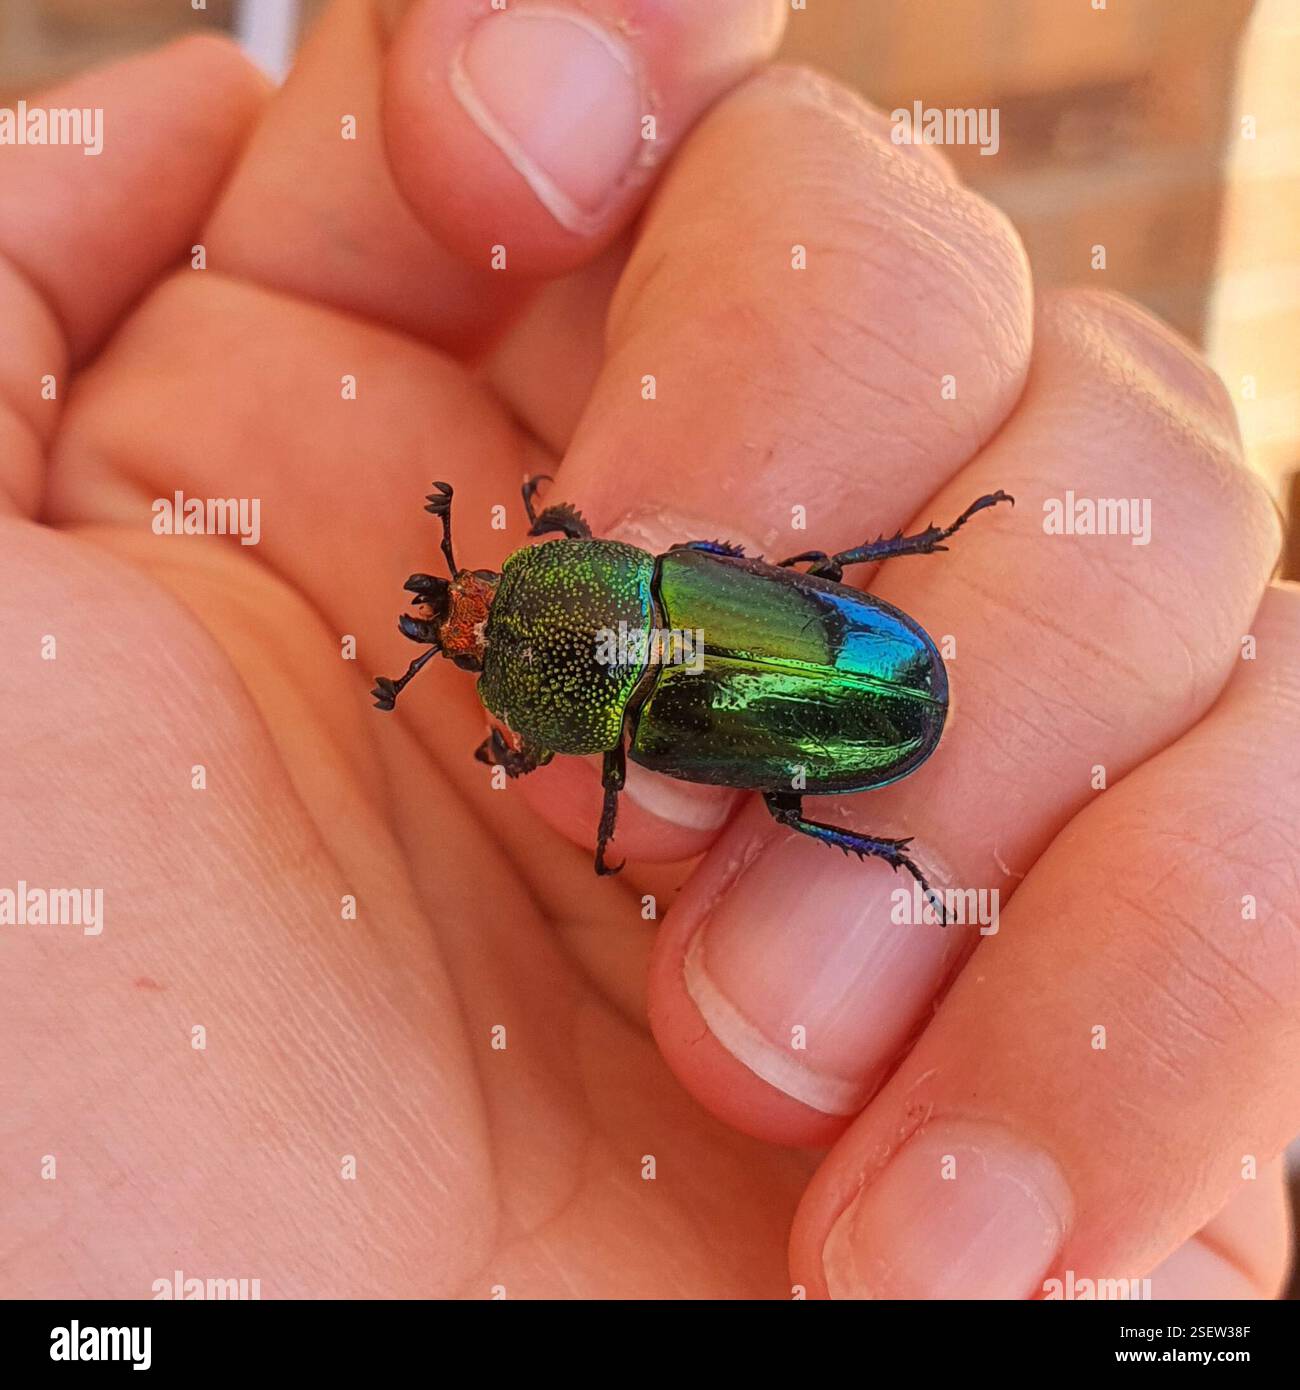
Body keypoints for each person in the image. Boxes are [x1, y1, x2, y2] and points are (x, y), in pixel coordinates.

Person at [0, 0, 1294, 1300]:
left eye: (485, 603)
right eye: (479, 624)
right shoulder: (640, 601)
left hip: (846, 689)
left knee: (792, 676)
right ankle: (897, 848)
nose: (470, 615)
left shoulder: (624, 699)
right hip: (823, 671)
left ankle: (899, 841)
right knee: (791, 618)